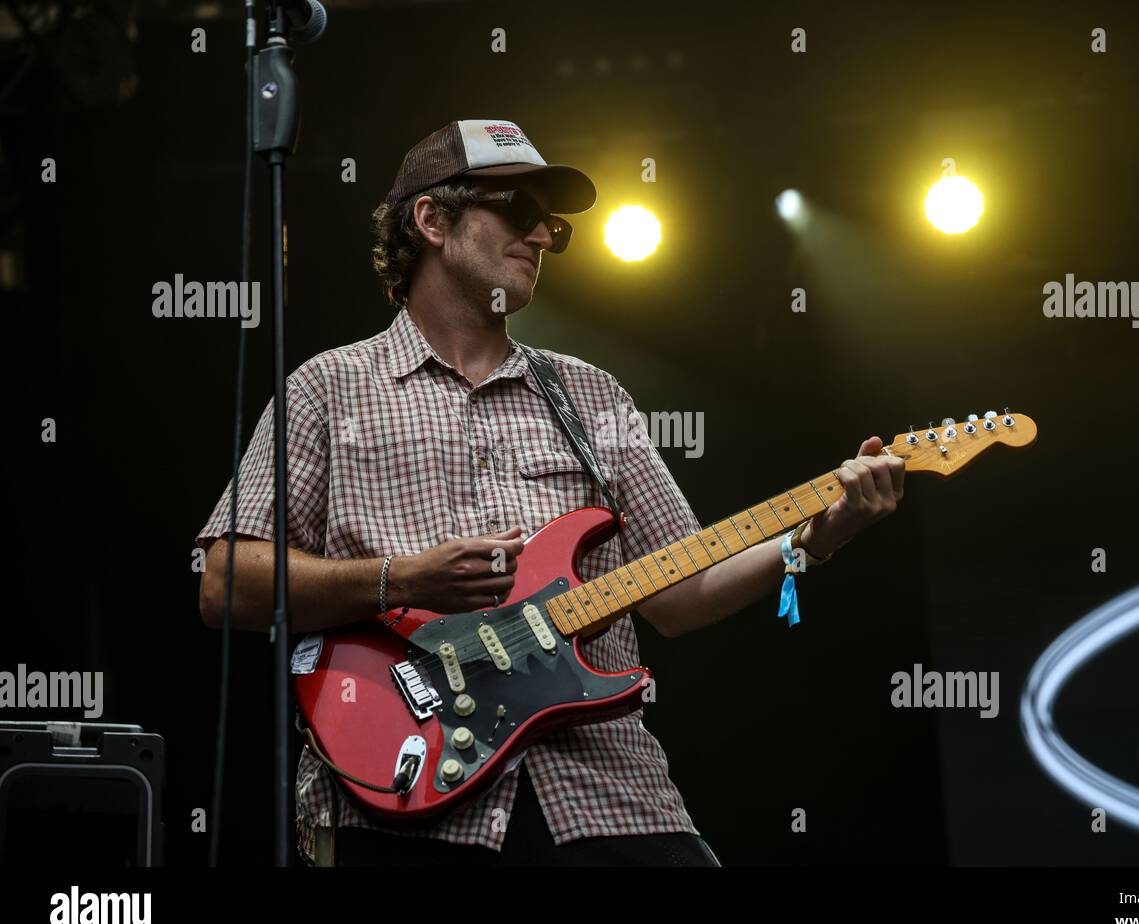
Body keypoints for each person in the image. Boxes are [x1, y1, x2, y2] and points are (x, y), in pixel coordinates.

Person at [196, 119, 905, 866]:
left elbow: (682, 589)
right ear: (432, 220)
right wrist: (399, 580)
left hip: (605, 793)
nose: (541, 236)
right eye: (517, 210)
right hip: (403, 796)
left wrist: (814, 539)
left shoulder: (591, 395)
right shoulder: (326, 389)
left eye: (552, 225)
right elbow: (223, 582)